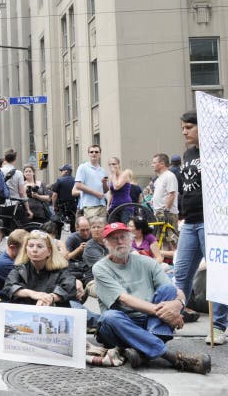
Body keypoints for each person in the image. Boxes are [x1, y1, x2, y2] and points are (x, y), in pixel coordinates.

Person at [93, 222, 210, 374]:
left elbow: (176, 291)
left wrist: (177, 305)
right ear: (106, 243)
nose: (120, 241)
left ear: (131, 239)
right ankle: (173, 358)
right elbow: (124, 299)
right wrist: (166, 312)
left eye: (123, 237)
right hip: (121, 325)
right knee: (110, 316)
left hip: (150, 322)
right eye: (114, 239)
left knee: (167, 289)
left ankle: (141, 351)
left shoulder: (147, 262)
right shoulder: (101, 268)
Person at [175, 110, 227, 345]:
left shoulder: (217, 152)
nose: (184, 131)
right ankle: (174, 316)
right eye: (183, 127)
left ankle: (218, 325)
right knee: (181, 273)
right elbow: (187, 187)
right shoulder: (187, 154)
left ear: (201, 127)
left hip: (212, 221)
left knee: (217, 275)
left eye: (189, 127)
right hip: (190, 221)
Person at [3, 230, 77, 307]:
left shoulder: (60, 269)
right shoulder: (20, 269)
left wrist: (50, 297)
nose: (34, 250)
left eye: (40, 246)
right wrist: (32, 294)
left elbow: (70, 288)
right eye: (31, 246)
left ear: (49, 251)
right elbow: (9, 287)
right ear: (26, 249)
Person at [0, 229, 29, 299]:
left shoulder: (11, 259)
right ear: (12, 248)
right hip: (3, 304)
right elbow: (28, 286)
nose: (29, 252)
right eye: (25, 250)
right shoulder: (5, 264)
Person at [74, 144, 108, 221]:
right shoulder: (83, 167)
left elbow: (105, 190)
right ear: (88, 154)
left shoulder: (102, 170)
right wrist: (96, 193)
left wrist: (104, 184)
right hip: (89, 205)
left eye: (96, 152)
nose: (94, 153)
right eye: (91, 152)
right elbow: (78, 185)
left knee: (101, 230)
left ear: (100, 154)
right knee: (92, 229)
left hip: (102, 205)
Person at [0, 149, 32, 222]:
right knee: (20, 228)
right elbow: (22, 192)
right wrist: (28, 209)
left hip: (2, 205)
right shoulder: (18, 173)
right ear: (15, 159)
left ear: (5, 158)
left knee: (3, 229)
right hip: (15, 205)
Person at [150, 153, 179, 232]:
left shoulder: (169, 176)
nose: (152, 165)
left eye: (154, 163)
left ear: (162, 164)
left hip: (168, 214)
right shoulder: (158, 179)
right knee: (162, 241)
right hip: (158, 214)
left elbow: (172, 194)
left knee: (171, 240)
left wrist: (166, 211)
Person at [50, 164, 77, 232]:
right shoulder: (75, 180)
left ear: (65, 172)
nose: (61, 172)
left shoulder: (59, 180)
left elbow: (54, 195)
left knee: (58, 226)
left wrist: (53, 205)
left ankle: (57, 240)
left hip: (62, 207)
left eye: (61, 171)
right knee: (73, 226)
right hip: (73, 207)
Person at [106, 157, 133, 223]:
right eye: (110, 164)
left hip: (125, 205)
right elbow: (111, 192)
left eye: (114, 164)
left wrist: (114, 174)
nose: (112, 166)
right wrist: (108, 206)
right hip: (114, 206)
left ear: (118, 165)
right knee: (113, 227)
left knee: (125, 226)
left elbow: (116, 186)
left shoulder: (125, 174)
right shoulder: (111, 176)